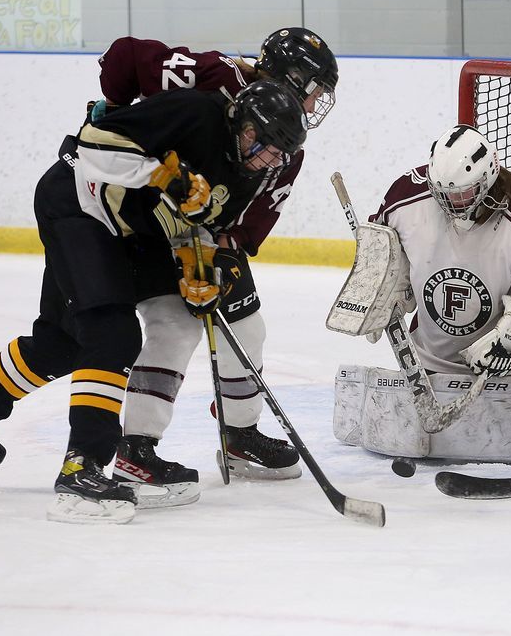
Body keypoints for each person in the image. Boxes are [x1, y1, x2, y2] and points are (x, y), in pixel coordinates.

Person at [0, 78, 307, 523]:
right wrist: (163, 174)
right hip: (79, 205)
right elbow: (95, 144)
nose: (269, 161)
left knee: (63, 340)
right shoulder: (196, 112)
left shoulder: (241, 170)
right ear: (246, 126)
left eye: (280, 155)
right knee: (111, 332)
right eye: (267, 147)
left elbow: (194, 220)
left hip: (126, 228)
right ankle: (81, 467)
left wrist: (197, 264)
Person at [88, 29, 339, 505]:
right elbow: (124, 56)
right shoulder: (210, 79)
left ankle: (239, 437)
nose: (314, 105)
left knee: (247, 327)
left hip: (199, 228)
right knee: (172, 327)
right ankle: (137, 445)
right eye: (315, 92)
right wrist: (120, 115)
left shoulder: (287, 146)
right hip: (144, 215)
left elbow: (254, 216)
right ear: (293, 77)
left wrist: (222, 249)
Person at [367, 124, 511, 378]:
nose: (449, 202)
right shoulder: (406, 196)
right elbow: (381, 252)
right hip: (426, 365)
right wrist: (387, 284)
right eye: (441, 192)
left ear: (487, 178)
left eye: (461, 193)